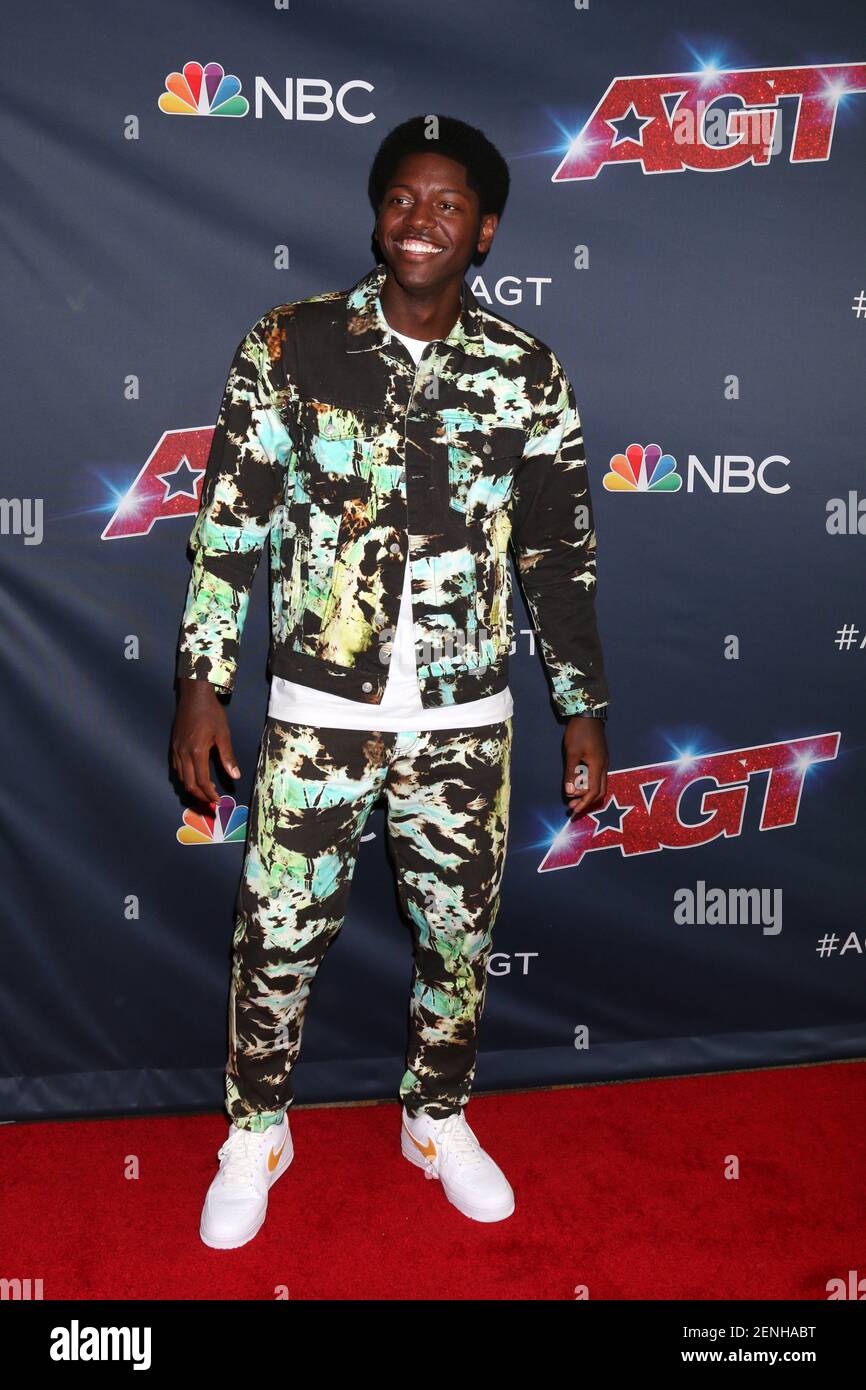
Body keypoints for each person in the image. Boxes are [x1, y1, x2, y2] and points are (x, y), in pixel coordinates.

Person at [171, 113, 610, 1250]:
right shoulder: (290, 344)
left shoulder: (526, 372)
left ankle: (436, 1116)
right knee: (276, 935)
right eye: (403, 199)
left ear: (486, 232)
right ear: (378, 215)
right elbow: (228, 530)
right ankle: (257, 1129)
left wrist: (581, 705)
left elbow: (556, 556)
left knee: (458, 938)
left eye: (448, 206)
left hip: (465, 720)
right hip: (318, 714)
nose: (421, 221)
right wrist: (200, 682)